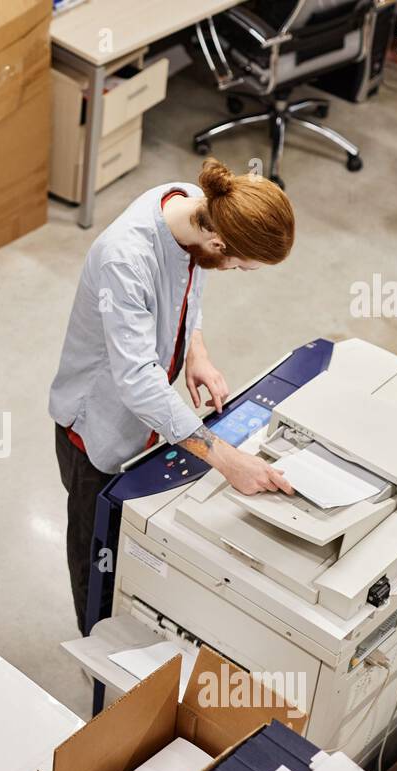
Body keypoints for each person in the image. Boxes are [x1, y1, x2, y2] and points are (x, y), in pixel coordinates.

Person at [49, 158, 297, 635]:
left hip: (151, 421)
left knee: (138, 547)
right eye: (240, 266)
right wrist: (226, 459)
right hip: (96, 431)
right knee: (96, 554)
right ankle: (97, 646)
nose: (235, 272)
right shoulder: (126, 258)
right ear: (220, 243)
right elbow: (138, 381)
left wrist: (195, 351)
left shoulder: (192, 204)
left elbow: (192, 287)